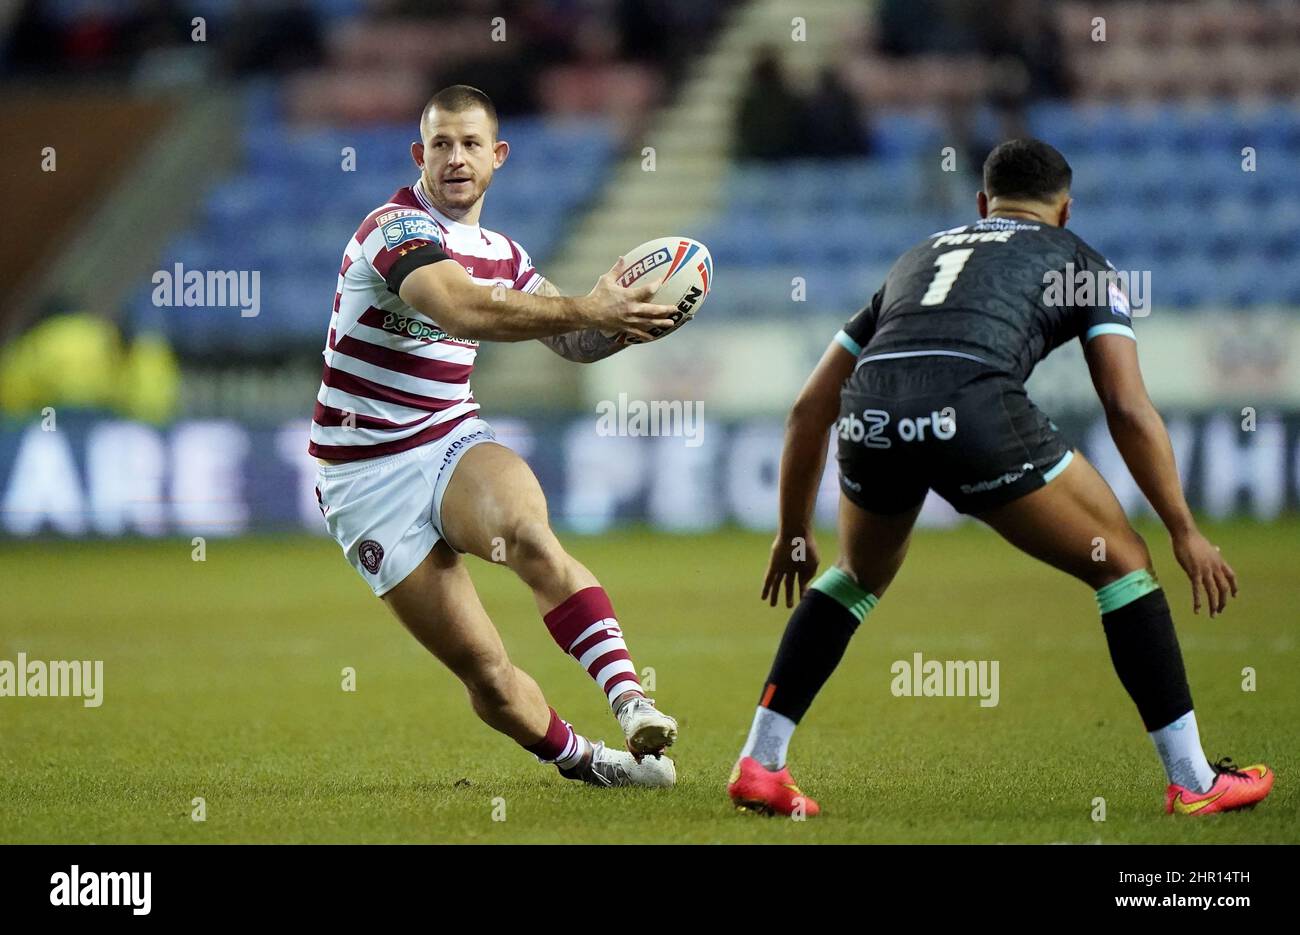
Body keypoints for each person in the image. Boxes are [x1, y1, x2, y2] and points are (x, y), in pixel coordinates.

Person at [727, 139, 1273, 818]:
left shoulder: (917, 258)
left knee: (855, 574)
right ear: (1065, 211)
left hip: (870, 415)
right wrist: (1184, 529)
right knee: (1126, 561)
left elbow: (810, 408)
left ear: (982, 203)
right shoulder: (1080, 263)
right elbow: (1128, 407)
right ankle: (1193, 781)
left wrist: (791, 531)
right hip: (973, 409)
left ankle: (760, 762)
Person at [311, 85, 681, 788]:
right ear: (419, 156)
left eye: (471, 144)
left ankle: (631, 700)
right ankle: (590, 763)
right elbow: (458, 307)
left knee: (530, 534)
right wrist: (582, 304)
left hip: (449, 440)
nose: (456, 158)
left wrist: (623, 321)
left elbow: (569, 336)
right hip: (363, 480)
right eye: (442, 144)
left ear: (497, 156)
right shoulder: (393, 231)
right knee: (485, 671)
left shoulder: (506, 255)